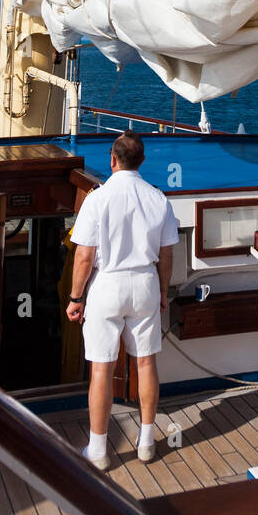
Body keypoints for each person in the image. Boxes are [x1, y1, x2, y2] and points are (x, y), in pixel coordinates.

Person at [66, 131, 180, 471]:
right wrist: (162, 291)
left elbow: (84, 257)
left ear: (112, 160)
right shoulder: (159, 199)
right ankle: (146, 442)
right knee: (145, 363)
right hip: (145, 283)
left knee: (102, 368)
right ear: (141, 161)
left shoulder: (97, 199)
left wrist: (75, 297)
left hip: (107, 285)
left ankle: (99, 450)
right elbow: (166, 254)